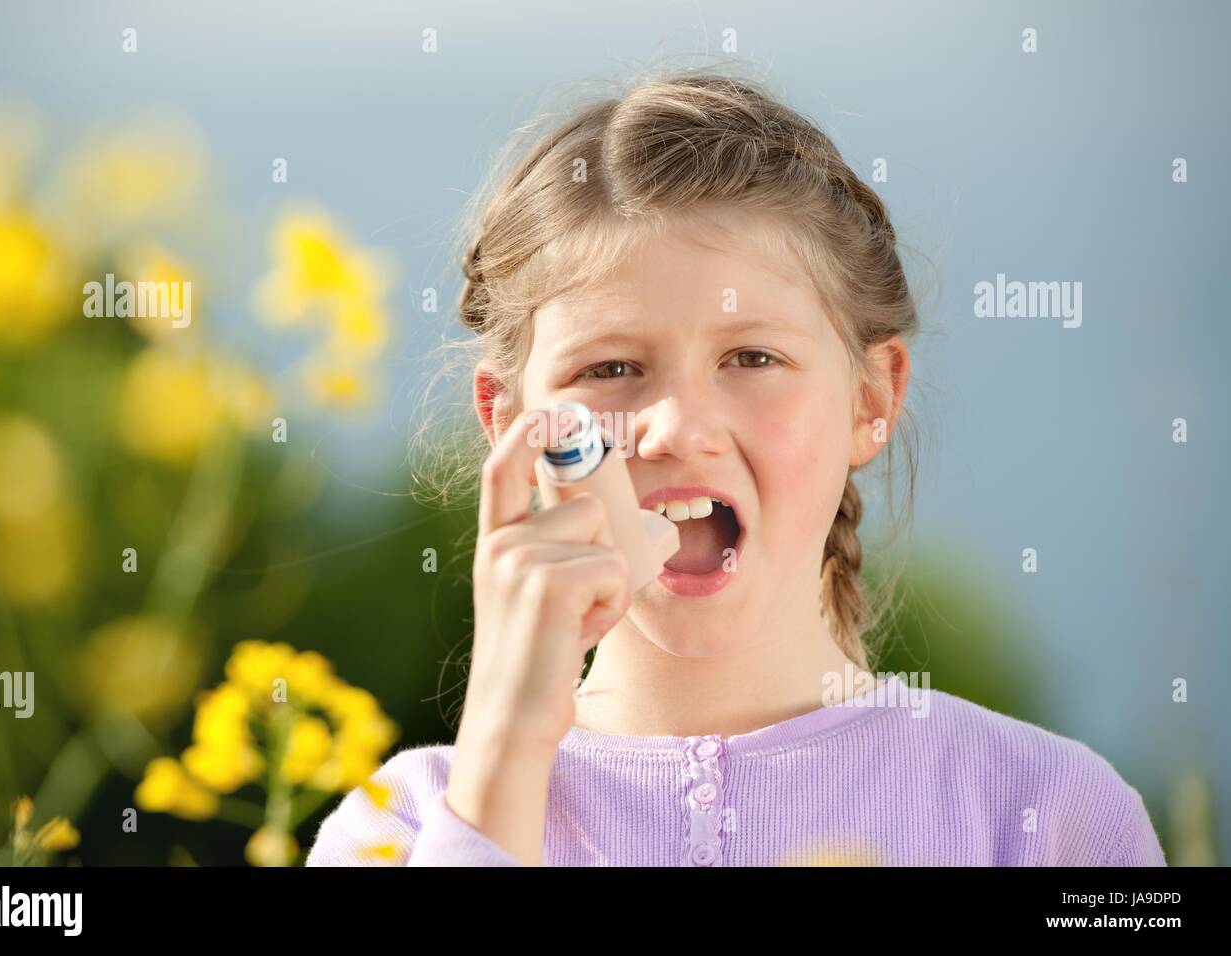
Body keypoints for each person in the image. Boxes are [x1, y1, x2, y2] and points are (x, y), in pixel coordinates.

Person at [306, 67, 1165, 867]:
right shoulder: (399, 826)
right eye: (609, 369)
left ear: (873, 397)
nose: (677, 429)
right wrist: (503, 751)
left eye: (751, 358)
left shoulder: (1046, 814)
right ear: (507, 425)